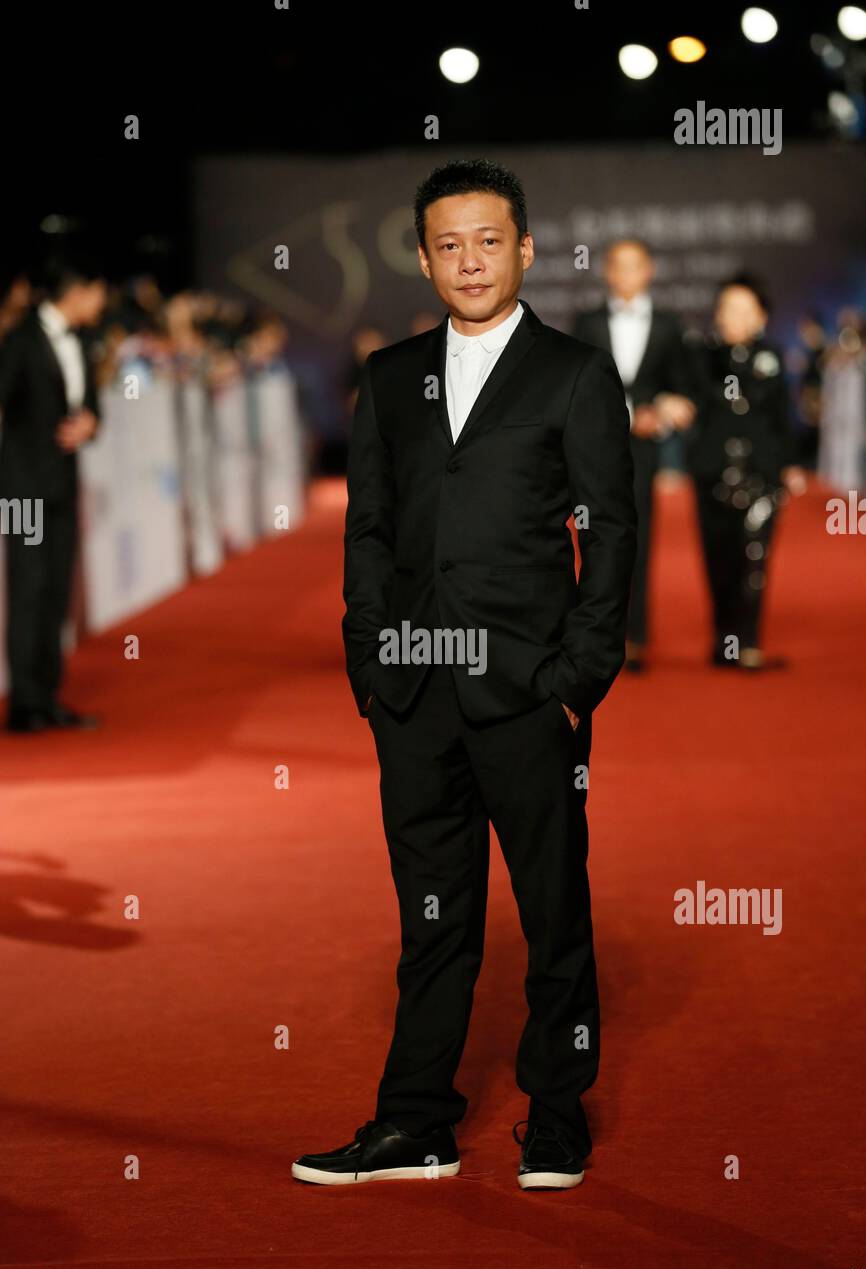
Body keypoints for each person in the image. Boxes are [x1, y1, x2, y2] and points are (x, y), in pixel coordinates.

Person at [292, 158, 637, 1191]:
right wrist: (368, 658)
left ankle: (557, 1109)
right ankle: (416, 1122)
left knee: (550, 908)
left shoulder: (572, 372)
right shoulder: (391, 376)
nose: (470, 260)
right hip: (411, 692)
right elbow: (368, 529)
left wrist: (578, 672)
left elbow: (611, 533)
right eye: (449, 243)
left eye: (489, 241)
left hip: (527, 690)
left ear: (523, 250)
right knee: (430, 914)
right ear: (424, 255)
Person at [572, 238, 695, 671]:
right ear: (606, 271)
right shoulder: (584, 323)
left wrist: (661, 413)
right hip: (594, 449)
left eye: (634, 265)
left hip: (643, 452)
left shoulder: (668, 325)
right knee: (593, 538)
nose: (626, 274)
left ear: (649, 270)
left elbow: (681, 389)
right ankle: (595, 634)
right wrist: (628, 413)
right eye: (618, 266)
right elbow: (576, 387)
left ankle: (635, 638)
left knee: (638, 540)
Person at [0, 255, 107, 731]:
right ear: (78, 291)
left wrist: (91, 424)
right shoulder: (20, 339)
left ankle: (46, 695)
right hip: (21, 493)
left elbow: (92, 408)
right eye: (99, 292)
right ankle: (24, 703)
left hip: (63, 487)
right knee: (28, 589)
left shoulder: (83, 341)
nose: (103, 303)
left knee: (58, 591)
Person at [687, 273, 800, 671]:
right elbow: (698, 404)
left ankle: (748, 643)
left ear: (761, 317)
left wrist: (789, 465)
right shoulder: (701, 356)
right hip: (711, 471)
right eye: (726, 309)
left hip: (762, 474)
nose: (732, 317)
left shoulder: (773, 358)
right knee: (719, 559)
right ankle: (725, 642)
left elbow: (783, 419)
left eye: (743, 309)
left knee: (754, 558)